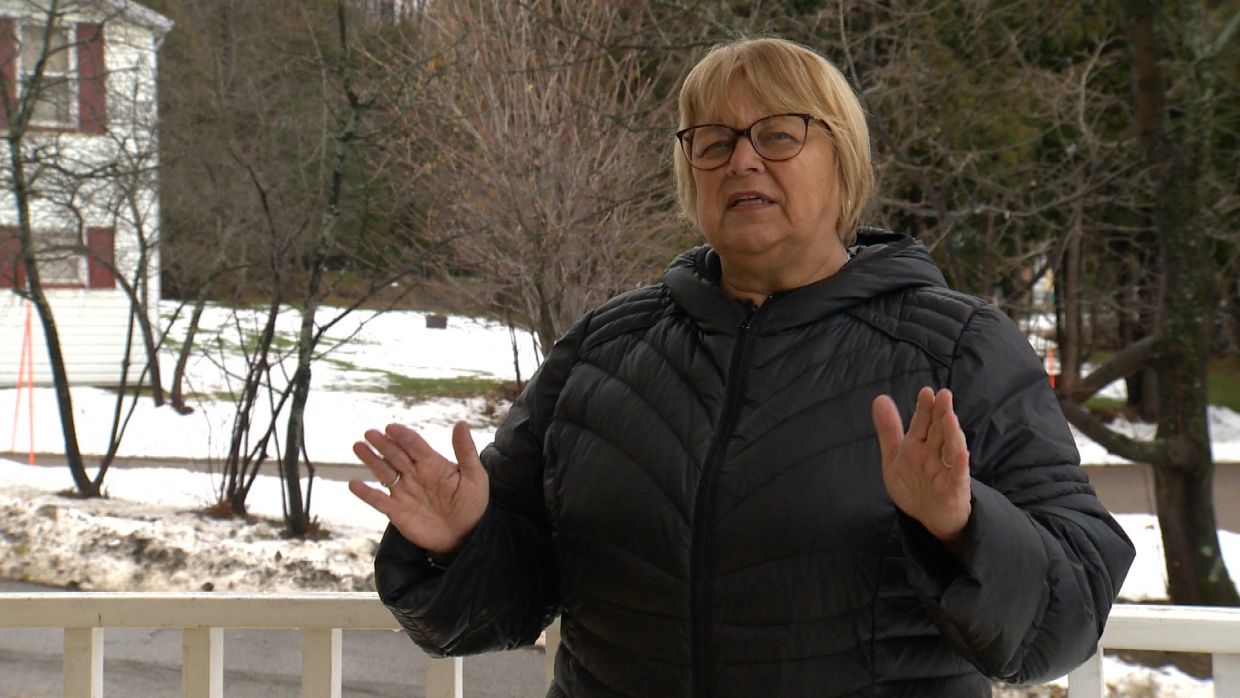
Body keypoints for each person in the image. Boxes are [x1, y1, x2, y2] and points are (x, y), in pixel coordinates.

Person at [349, 37, 1135, 698]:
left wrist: (964, 528)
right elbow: (508, 603)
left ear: (844, 163)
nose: (742, 161)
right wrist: (460, 543)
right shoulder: (606, 351)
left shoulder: (960, 347)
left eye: (779, 134)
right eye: (714, 142)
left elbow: (1067, 614)